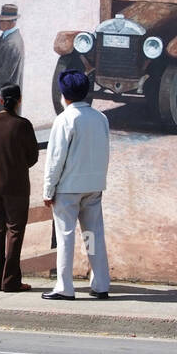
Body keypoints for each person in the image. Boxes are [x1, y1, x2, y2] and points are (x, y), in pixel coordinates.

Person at [42, 70, 110, 300]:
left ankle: (64, 286)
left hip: (68, 188)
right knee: (92, 235)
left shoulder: (65, 119)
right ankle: (100, 283)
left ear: (65, 95)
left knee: (66, 236)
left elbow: (55, 159)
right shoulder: (101, 118)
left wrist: (48, 189)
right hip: (93, 185)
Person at [0, 83, 39, 292]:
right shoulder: (23, 125)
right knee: (14, 231)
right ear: (19, 100)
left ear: (1, 100)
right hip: (15, 185)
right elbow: (33, 157)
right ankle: (10, 281)